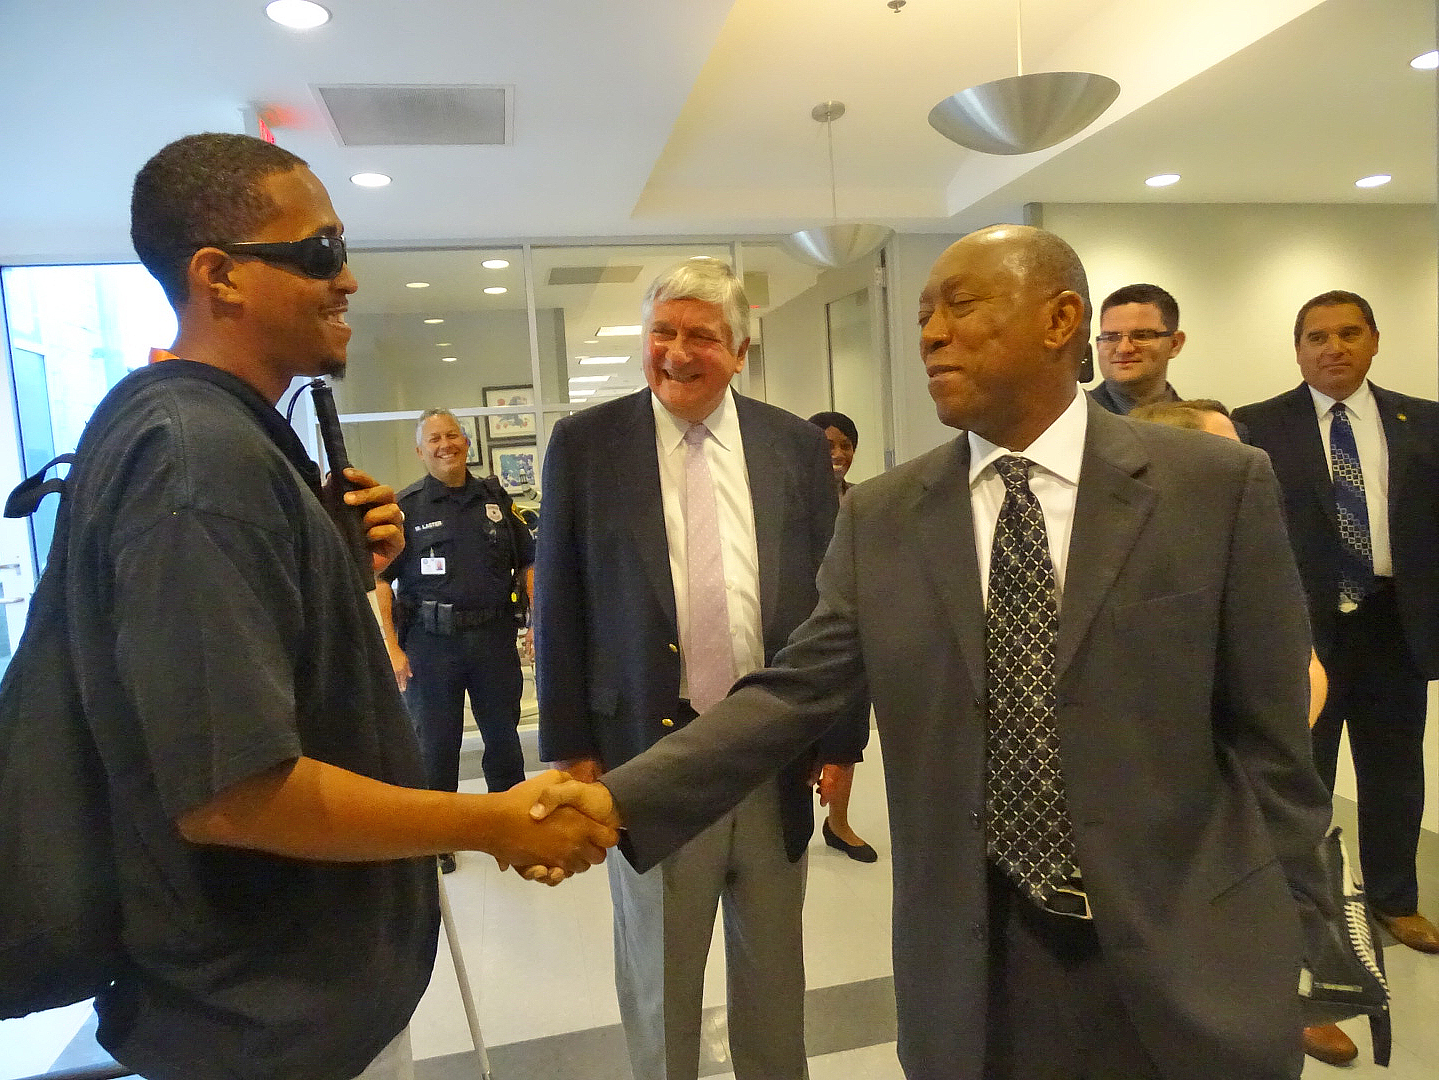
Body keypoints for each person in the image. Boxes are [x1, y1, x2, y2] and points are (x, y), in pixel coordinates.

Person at [535, 225, 1332, 1080]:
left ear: (1062, 319)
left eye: (960, 306)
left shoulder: (1212, 487)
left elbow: (1273, 745)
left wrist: (1303, 935)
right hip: (973, 968)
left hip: (1180, 953)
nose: (930, 334)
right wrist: (612, 798)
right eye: (922, 315)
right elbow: (789, 693)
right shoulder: (884, 517)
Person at [74, 132, 614, 1080]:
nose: (349, 279)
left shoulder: (230, 439)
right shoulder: (198, 462)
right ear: (220, 275)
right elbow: (232, 793)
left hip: (300, 996)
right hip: (266, 1017)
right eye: (320, 252)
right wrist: (490, 822)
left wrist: (326, 556)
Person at [534, 259, 868, 1080]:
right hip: (647, 757)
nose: (677, 352)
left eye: (701, 337)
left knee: (772, 975)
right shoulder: (586, 444)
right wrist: (570, 742)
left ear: (740, 350)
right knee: (659, 979)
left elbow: (838, 600)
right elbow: (559, 604)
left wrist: (841, 739)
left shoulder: (793, 444)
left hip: (771, 751)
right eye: (663, 332)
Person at [1134, 398, 1351, 1066]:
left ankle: (1298, 993)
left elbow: (1301, 680)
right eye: (1228, 455)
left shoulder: (1250, 554)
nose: (1249, 473)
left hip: (1251, 826)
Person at [1233, 292, 1439, 959]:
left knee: (1396, 772)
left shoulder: (1424, 421)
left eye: (1349, 333)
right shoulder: (1256, 426)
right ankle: (1305, 911)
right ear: (1297, 350)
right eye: (1317, 337)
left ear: (1375, 340)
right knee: (1302, 778)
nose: (1334, 348)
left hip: (1394, 624)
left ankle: (1393, 899)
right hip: (1301, 631)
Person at [376, 408, 533, 872]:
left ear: (466, 442)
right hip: (430, 644)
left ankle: (511, 826)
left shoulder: (496, 500)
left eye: (452, 435)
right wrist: (391, 648)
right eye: (434, 439)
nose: (446, 444)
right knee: (435, 745)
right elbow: (381, 581)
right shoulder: (405, 508)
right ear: (420, 451)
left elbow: (528, 563)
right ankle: (437, 839)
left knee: (503, 737)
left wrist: (538, 624)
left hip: (492, 638)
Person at [806, 410, 876, 862]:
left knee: (848, 729)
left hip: (855, 632)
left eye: (846, 444)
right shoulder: (784, 500)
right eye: (827, 444)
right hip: (799, 633)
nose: (838, 453)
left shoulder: (868, 501)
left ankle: (838, 823)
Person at [1088, 282, 1186, 414]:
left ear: (1175, 344)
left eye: (1142, 336)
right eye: (1111, 337)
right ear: (1098, 345)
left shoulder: (1204, 427)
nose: (1124, 349)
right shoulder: (1068, 420)